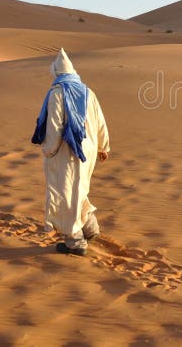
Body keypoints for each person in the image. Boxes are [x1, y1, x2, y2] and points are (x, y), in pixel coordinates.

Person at [31, 48, 110, 256]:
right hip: (88, 150)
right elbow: (100, 120)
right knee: (79, 190)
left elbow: (54, 126)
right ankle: (91, 229)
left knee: (66, 195)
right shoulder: (87, 91)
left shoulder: (57, 93)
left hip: (67, 152)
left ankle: (75, 243)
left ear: (56, 72)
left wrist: (49, 150)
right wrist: (104, 146)